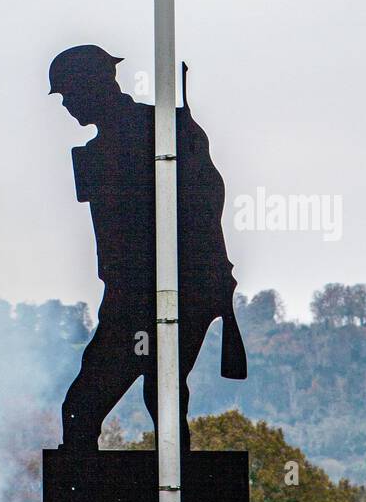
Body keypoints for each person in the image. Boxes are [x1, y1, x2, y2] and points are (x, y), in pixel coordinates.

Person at [49, 45, 246, 451]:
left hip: (166, 295)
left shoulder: (165, 129)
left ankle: (161, 497)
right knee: (159, 396)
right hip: (132, 297)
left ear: (93, 86)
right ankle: (161, 496)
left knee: (104, 404)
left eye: (70, 93)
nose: (67, 104)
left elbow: (208, 199)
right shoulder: (113, 146)